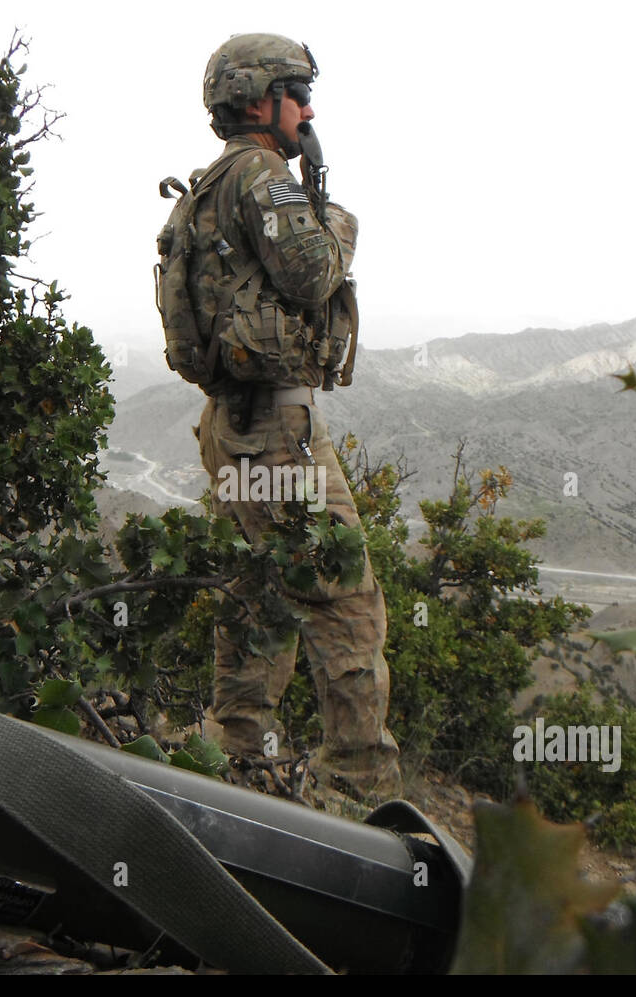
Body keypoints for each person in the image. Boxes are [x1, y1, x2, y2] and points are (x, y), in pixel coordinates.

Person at [186, 33, 401, 801]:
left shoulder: (213, 183)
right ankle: (356, 786)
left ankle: (233, 750)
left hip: (231, 424)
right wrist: (337, 219)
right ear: (255, 99)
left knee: (261, 589)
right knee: (344, 598)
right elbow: (311, 273)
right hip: (278, 433)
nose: (308, 107)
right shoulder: (262, 179)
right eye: (295, 91)